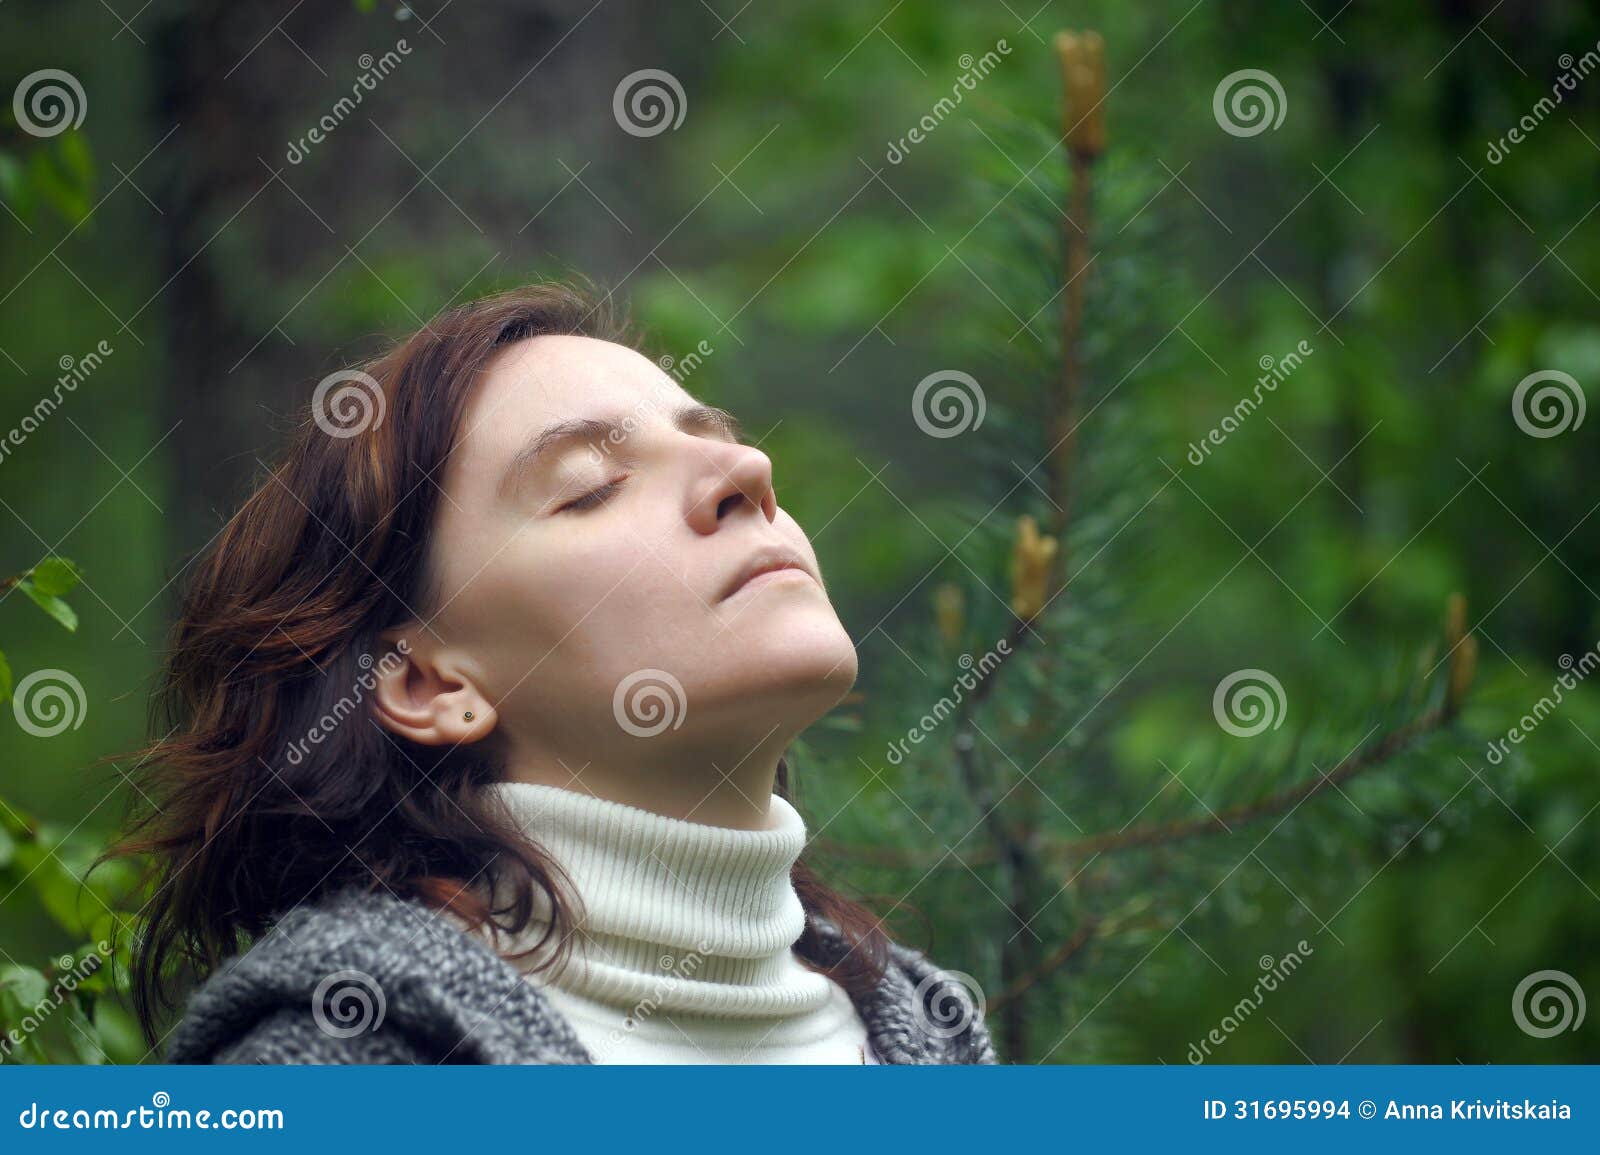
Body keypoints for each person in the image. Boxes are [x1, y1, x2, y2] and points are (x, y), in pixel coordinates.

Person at [113, 280, 996, 1064]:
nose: (747, 469)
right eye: (590, 486)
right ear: (429, 684)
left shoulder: (937, 1042)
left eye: (719, 438)